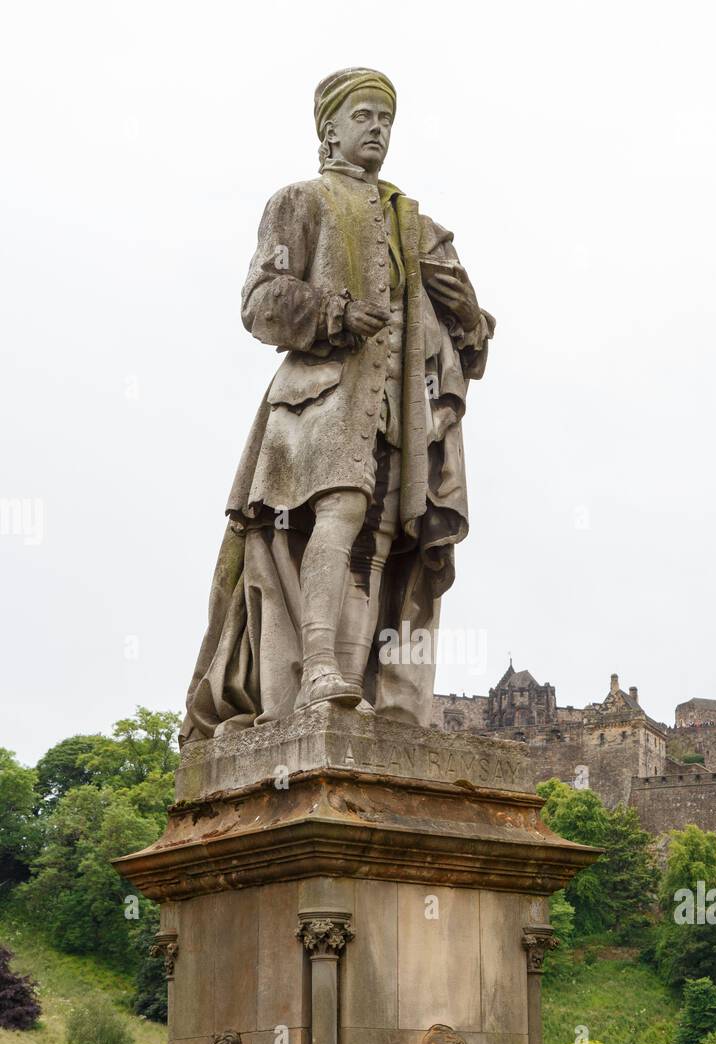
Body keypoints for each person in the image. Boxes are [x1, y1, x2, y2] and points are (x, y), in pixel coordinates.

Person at [181, 67, 494, 742]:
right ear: (329, 130)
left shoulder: (411, 223)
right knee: (340, 513)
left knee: (380, 543)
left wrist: (468, 320)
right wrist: (334, 313)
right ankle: (318, 669)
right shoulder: (300, 201)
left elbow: (463, 311)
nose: (378, 129)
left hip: (393, 416)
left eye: (386, 120)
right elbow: (260, 302)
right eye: (364, 118)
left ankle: (355, 692)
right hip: (316, 405)